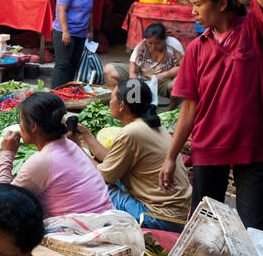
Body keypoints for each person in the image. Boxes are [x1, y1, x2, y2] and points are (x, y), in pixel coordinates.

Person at [161, 0, 263, 232]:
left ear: (222, 4)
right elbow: (189, 108)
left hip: (253, 146)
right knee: (203, 231)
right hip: (208, 146)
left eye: (198, 4)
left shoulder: (256, 32)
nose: (193, 12)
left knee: (255, 234)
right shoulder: (196, 50)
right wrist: (171, 156)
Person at [76, 79, 190, 231]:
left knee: (92, 184)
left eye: (112, 99)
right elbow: (112, 161)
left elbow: (102, 176)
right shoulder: (151, 125)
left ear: (122, 106)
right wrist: (88, 137)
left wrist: (77, 148)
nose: (109, 102)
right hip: (178, 216)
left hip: (157, 217)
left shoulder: (131, 132)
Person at [0, 91, 112, 217]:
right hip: (104, 220)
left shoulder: (43, 161)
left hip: (82, 232)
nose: (20, 124)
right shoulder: (70, 145)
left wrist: (7, 154)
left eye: (22, 120)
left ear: (34, 126)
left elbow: (1, 202)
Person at [104, 22, 183, 106]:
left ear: (165, 39)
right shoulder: (141, 47)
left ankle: (169, 110)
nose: (153, 47)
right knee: (109, 69)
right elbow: (133, 71)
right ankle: (125, 102)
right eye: (150, 43)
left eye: (158, 43)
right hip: (143, 78)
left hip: (164, 81)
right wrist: (135, 89)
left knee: (181, 82)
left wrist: (164, 75)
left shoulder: (173, 45)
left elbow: (183, 67)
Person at [51, 0, 95, 88]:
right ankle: (55, 93)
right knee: (62, 64)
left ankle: (67, 92)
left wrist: (90, 31)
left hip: (80, 33)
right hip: (64, 32)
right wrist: (65, 31)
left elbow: (90, 12)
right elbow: (61, 11)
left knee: (74, 63)